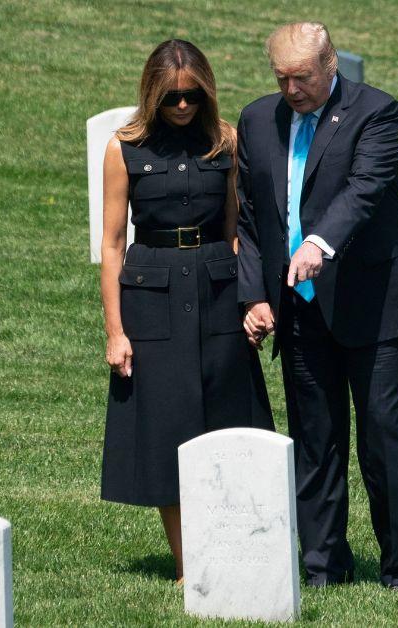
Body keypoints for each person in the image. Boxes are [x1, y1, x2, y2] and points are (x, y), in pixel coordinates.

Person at [236, 22, 398, 591]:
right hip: (298, 308)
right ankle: (323, 566)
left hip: (371, 304)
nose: (292, 89)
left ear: (331, 65)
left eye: (303, 78)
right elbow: (249, 215)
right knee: (315, 440)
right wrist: (253, 295)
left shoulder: (376, 112)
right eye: (282, 78)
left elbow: (366, 189)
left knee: (382, 438)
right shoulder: (256, 120)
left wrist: (319, 243)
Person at [99, 39, 272, 583]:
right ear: (153, 94)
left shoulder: (224, 142)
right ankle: (187, 564)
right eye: (172, 97)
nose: (181, 106)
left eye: (192, 96)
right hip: (152, 298)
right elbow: (110, 243)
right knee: (167, 429)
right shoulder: (124, 148)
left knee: (227, 421)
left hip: (218, 289)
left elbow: (236, 231)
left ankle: (240, 545)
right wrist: (115, 330)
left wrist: (250, 299)